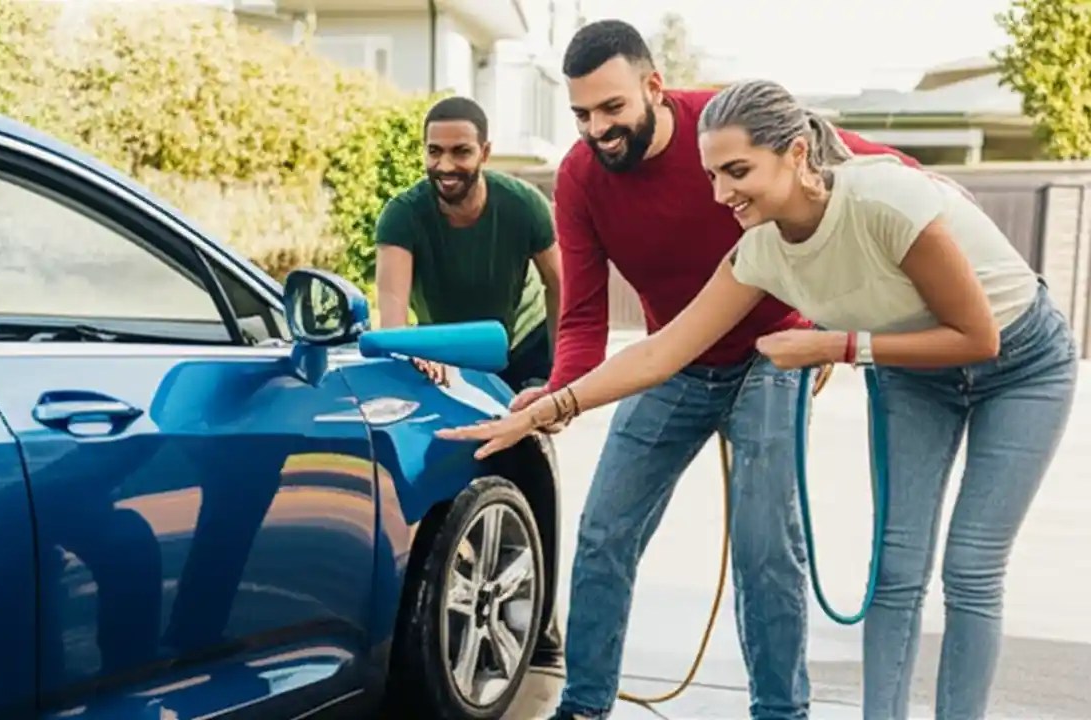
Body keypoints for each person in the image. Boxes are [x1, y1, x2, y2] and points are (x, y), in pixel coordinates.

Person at [440, 77, 1077, 720]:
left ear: (796, 154)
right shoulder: (762, 251)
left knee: (967, 568)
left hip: (1020, 364)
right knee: (897, 572)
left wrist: (834, 347)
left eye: (736, 171)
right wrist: (550, 408)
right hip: (915, 374)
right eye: (713, 174)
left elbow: (978, 336)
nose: (721, 194)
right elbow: (661, 352)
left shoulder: (884, 199)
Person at [489, 19, 922, 720]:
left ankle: (781, 711)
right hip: (675, 361)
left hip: (772, 356)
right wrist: (562, 394)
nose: (597, 129)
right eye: (581, 114)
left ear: (654, 86)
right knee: (603, 533)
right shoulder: (577, 178)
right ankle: (585, 704)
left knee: (765, 548)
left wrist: (826, 327)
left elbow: (866, 166)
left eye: (612, 108)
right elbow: (583, 318)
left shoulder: (720, 129)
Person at [374, 95, 561, 392]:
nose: (445, 165)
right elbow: (392, 315)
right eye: (434, 152)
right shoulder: (402, 216)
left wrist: (559, 366)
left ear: (485, 153)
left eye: (461, 152)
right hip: (442, 352)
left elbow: (560, 285)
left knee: (523, 432)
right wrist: (414, 355)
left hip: (520, 345)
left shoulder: (524, 205)